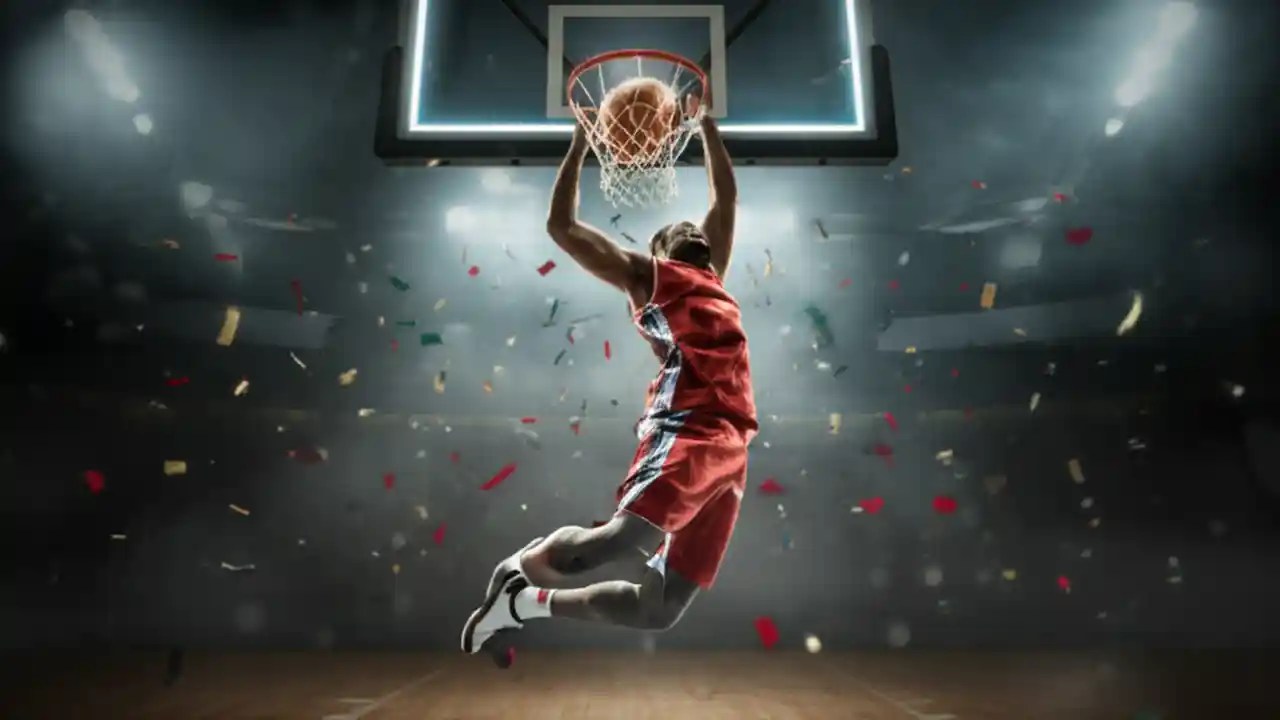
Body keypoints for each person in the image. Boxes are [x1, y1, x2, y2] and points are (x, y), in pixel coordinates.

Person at [461, 107, 757, 656]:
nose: (692, 227)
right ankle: (517, 568)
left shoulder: (713, 276)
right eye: (677, 231)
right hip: (688, 427)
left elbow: (726, 201)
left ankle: (524, 604)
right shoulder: (651, 279)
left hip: (734, 449)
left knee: (658, 609)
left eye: (695, 228)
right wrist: (580, 144)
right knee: (622, 541)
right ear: (658, 254)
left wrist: (707, 125)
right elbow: (562, 228)